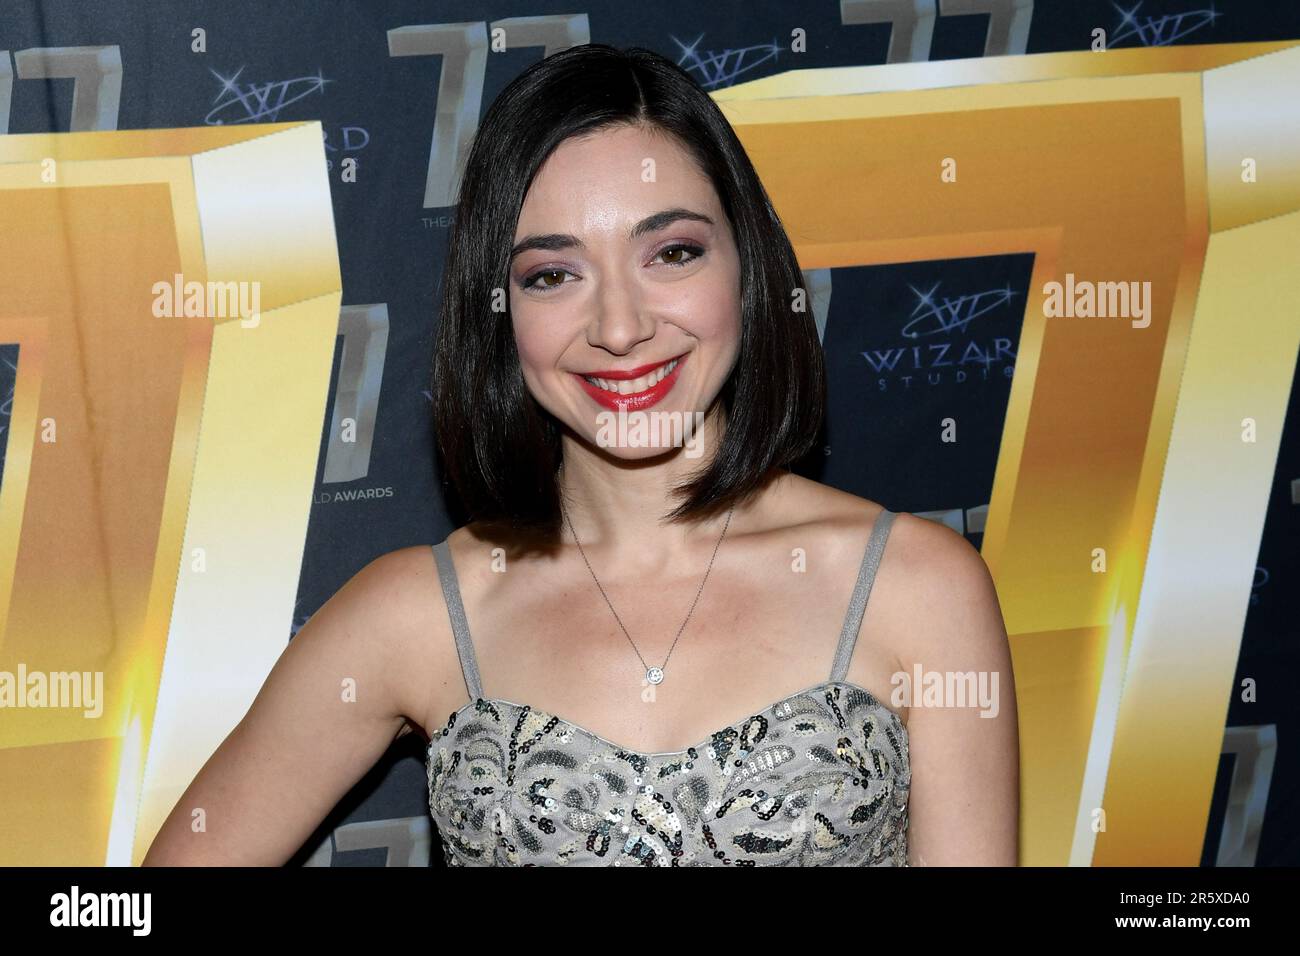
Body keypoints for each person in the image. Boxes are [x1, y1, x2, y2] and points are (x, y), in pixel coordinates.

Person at [143, 43, 1017, 867]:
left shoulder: (918, 589)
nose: (622, 327)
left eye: (671, 252)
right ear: (501, 311)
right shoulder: (420, 614)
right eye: (553, 274)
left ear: (746, 271)